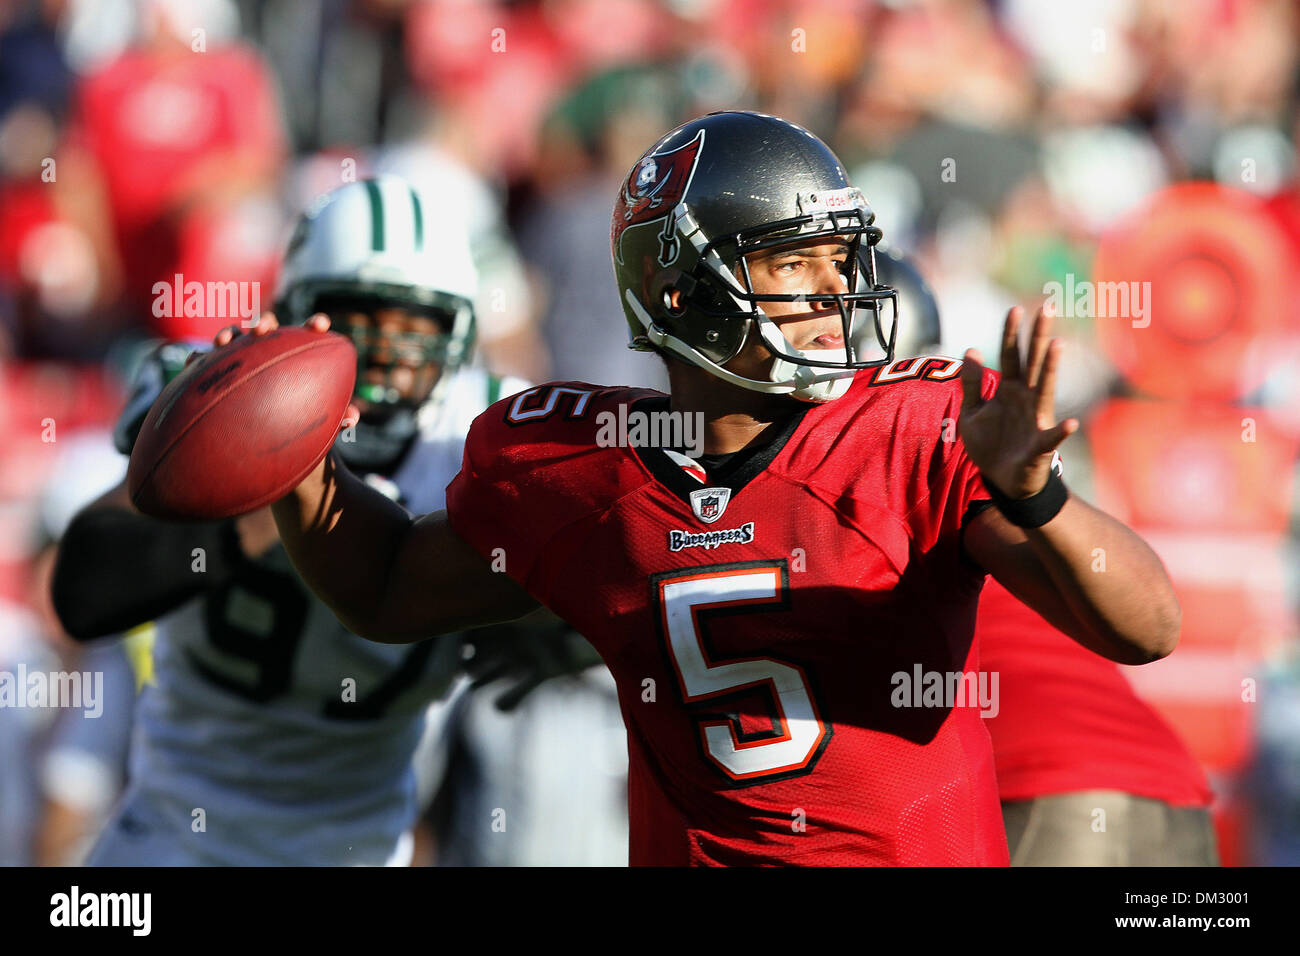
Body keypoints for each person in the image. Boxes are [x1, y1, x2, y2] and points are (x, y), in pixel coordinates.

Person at [228, 112, 1181, 866]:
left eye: (839, 261)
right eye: (793, 263)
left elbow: (1147, 629)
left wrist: (1036, 496)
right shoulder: (579, 467)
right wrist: (290, 450)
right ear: (679, 289)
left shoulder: (909, 430)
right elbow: (386, 586)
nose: (833, 293)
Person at [50, 176, 527, 865]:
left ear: (458, 332)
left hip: (359, 851)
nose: (387, 351)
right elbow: (85, 591)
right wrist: (259, 474)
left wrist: (551, 623)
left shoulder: (486, 436)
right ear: (300, 314)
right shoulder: (212, 389)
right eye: (356, 318)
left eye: (414, 322)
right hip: (176, 839)